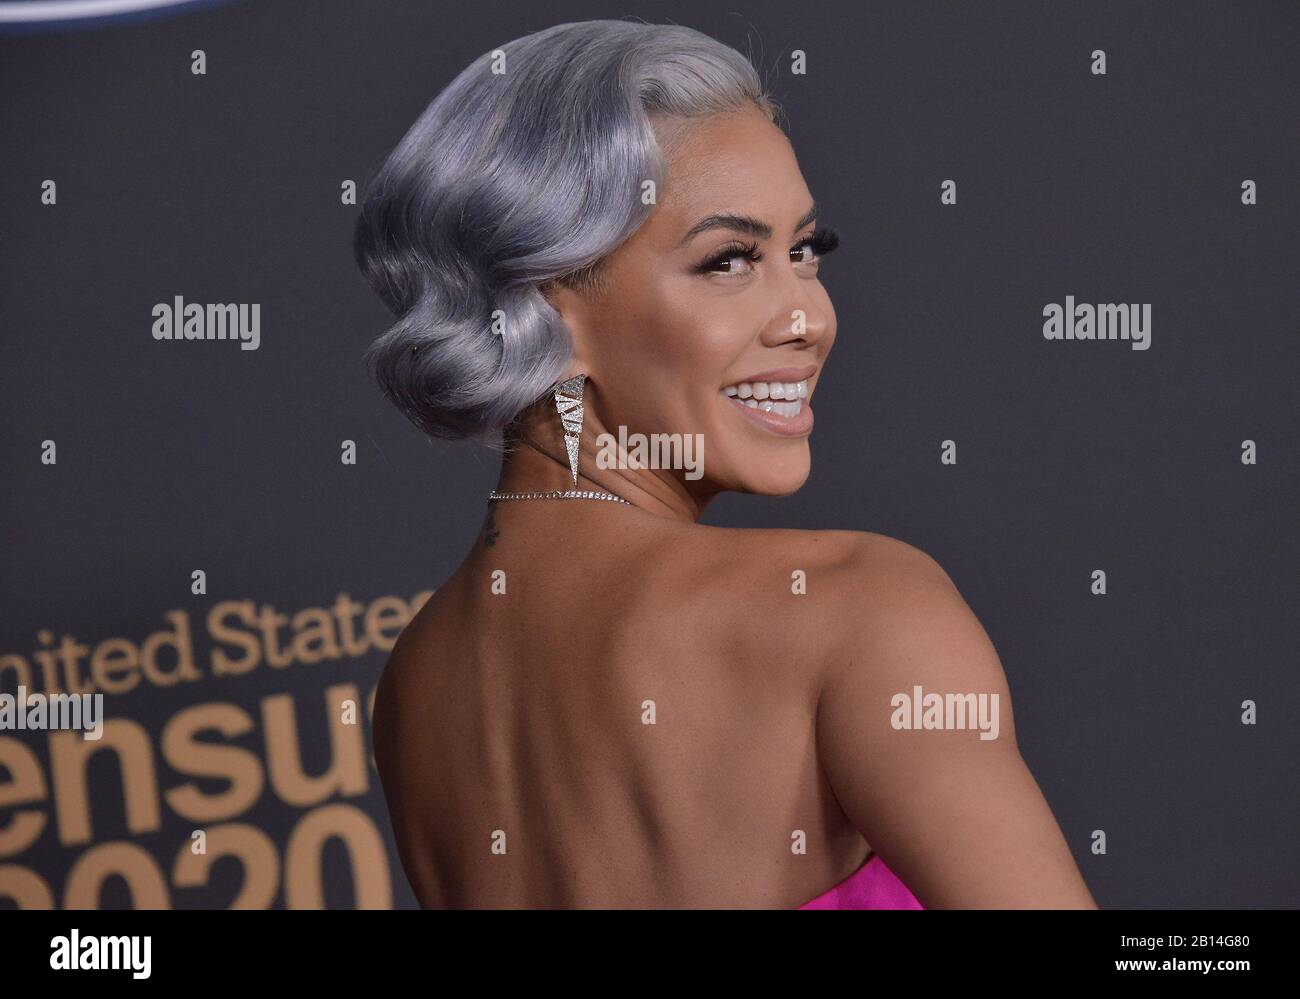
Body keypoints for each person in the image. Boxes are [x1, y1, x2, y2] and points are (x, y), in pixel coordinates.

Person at [355, 18, 1097, 909]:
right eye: (731, 260)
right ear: (547, 310)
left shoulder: (417, 684)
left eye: (805, 252)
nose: (807, 319)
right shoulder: (856, 610)